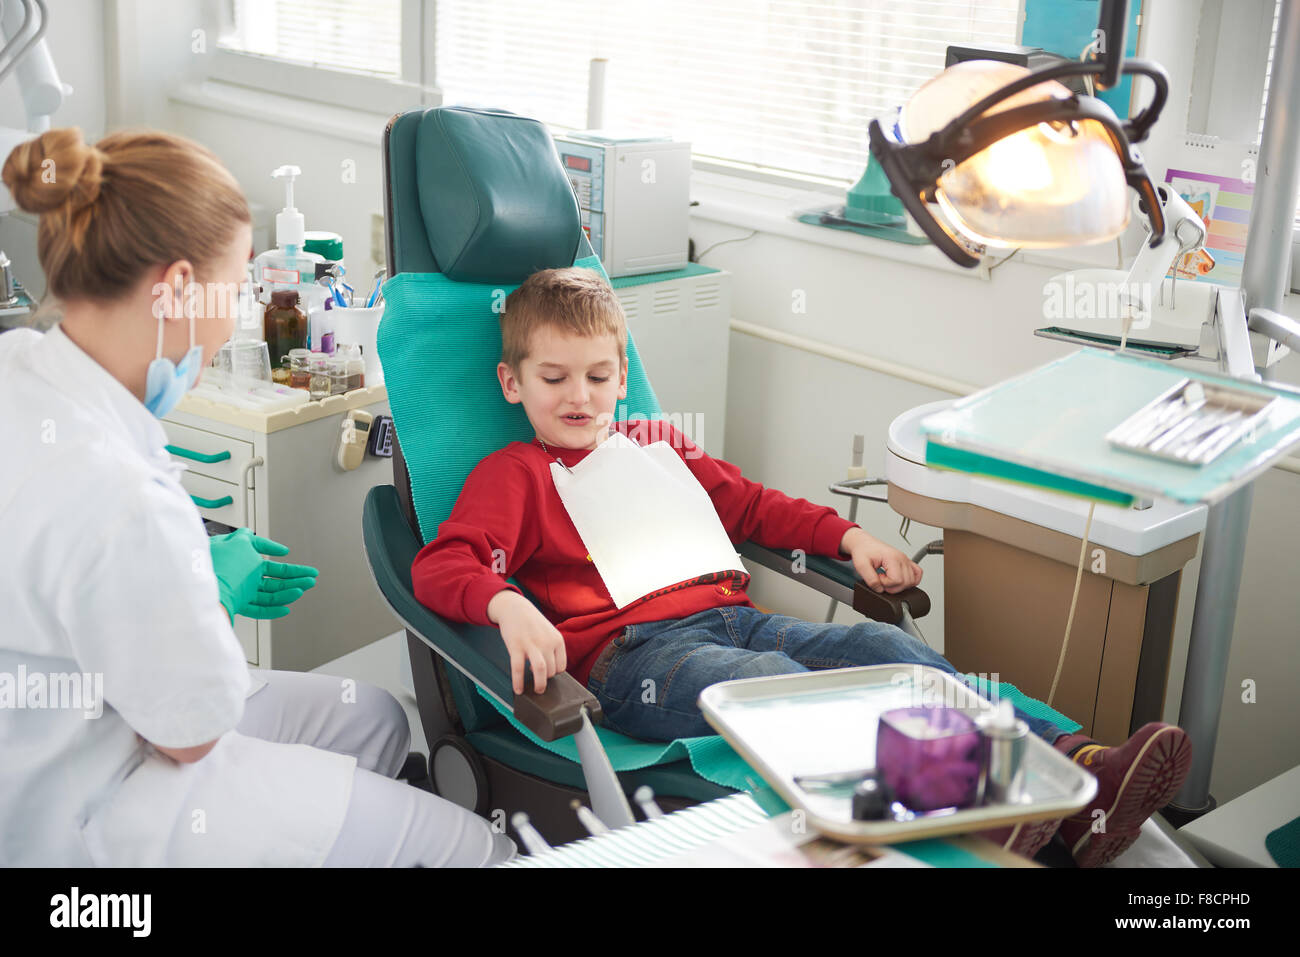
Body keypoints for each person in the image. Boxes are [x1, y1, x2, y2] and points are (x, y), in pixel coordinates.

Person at [412, 266, 1194, 867]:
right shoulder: (514, 473)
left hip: (736, 614)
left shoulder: (658, 444)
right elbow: (445, 562)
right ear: (513, 383)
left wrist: (848, 540)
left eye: (598, 376)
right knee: (780, 688)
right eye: (554, 379)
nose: (579, 397)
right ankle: (987, 804)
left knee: (885, 653)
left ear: (622, 375)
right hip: (637, 660)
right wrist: (506, 604)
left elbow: (752, 508)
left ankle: (1081, 771)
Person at [0, 127, 513, 867]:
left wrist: (186, 577)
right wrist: (207, 598)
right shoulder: (119, 495)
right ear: (177, 288)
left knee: (371, 717)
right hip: (96, 798)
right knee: (474, 844)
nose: (232, 312)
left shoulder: (21, 363)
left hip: (74, 699)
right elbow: (191, 732)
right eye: (237, 283)